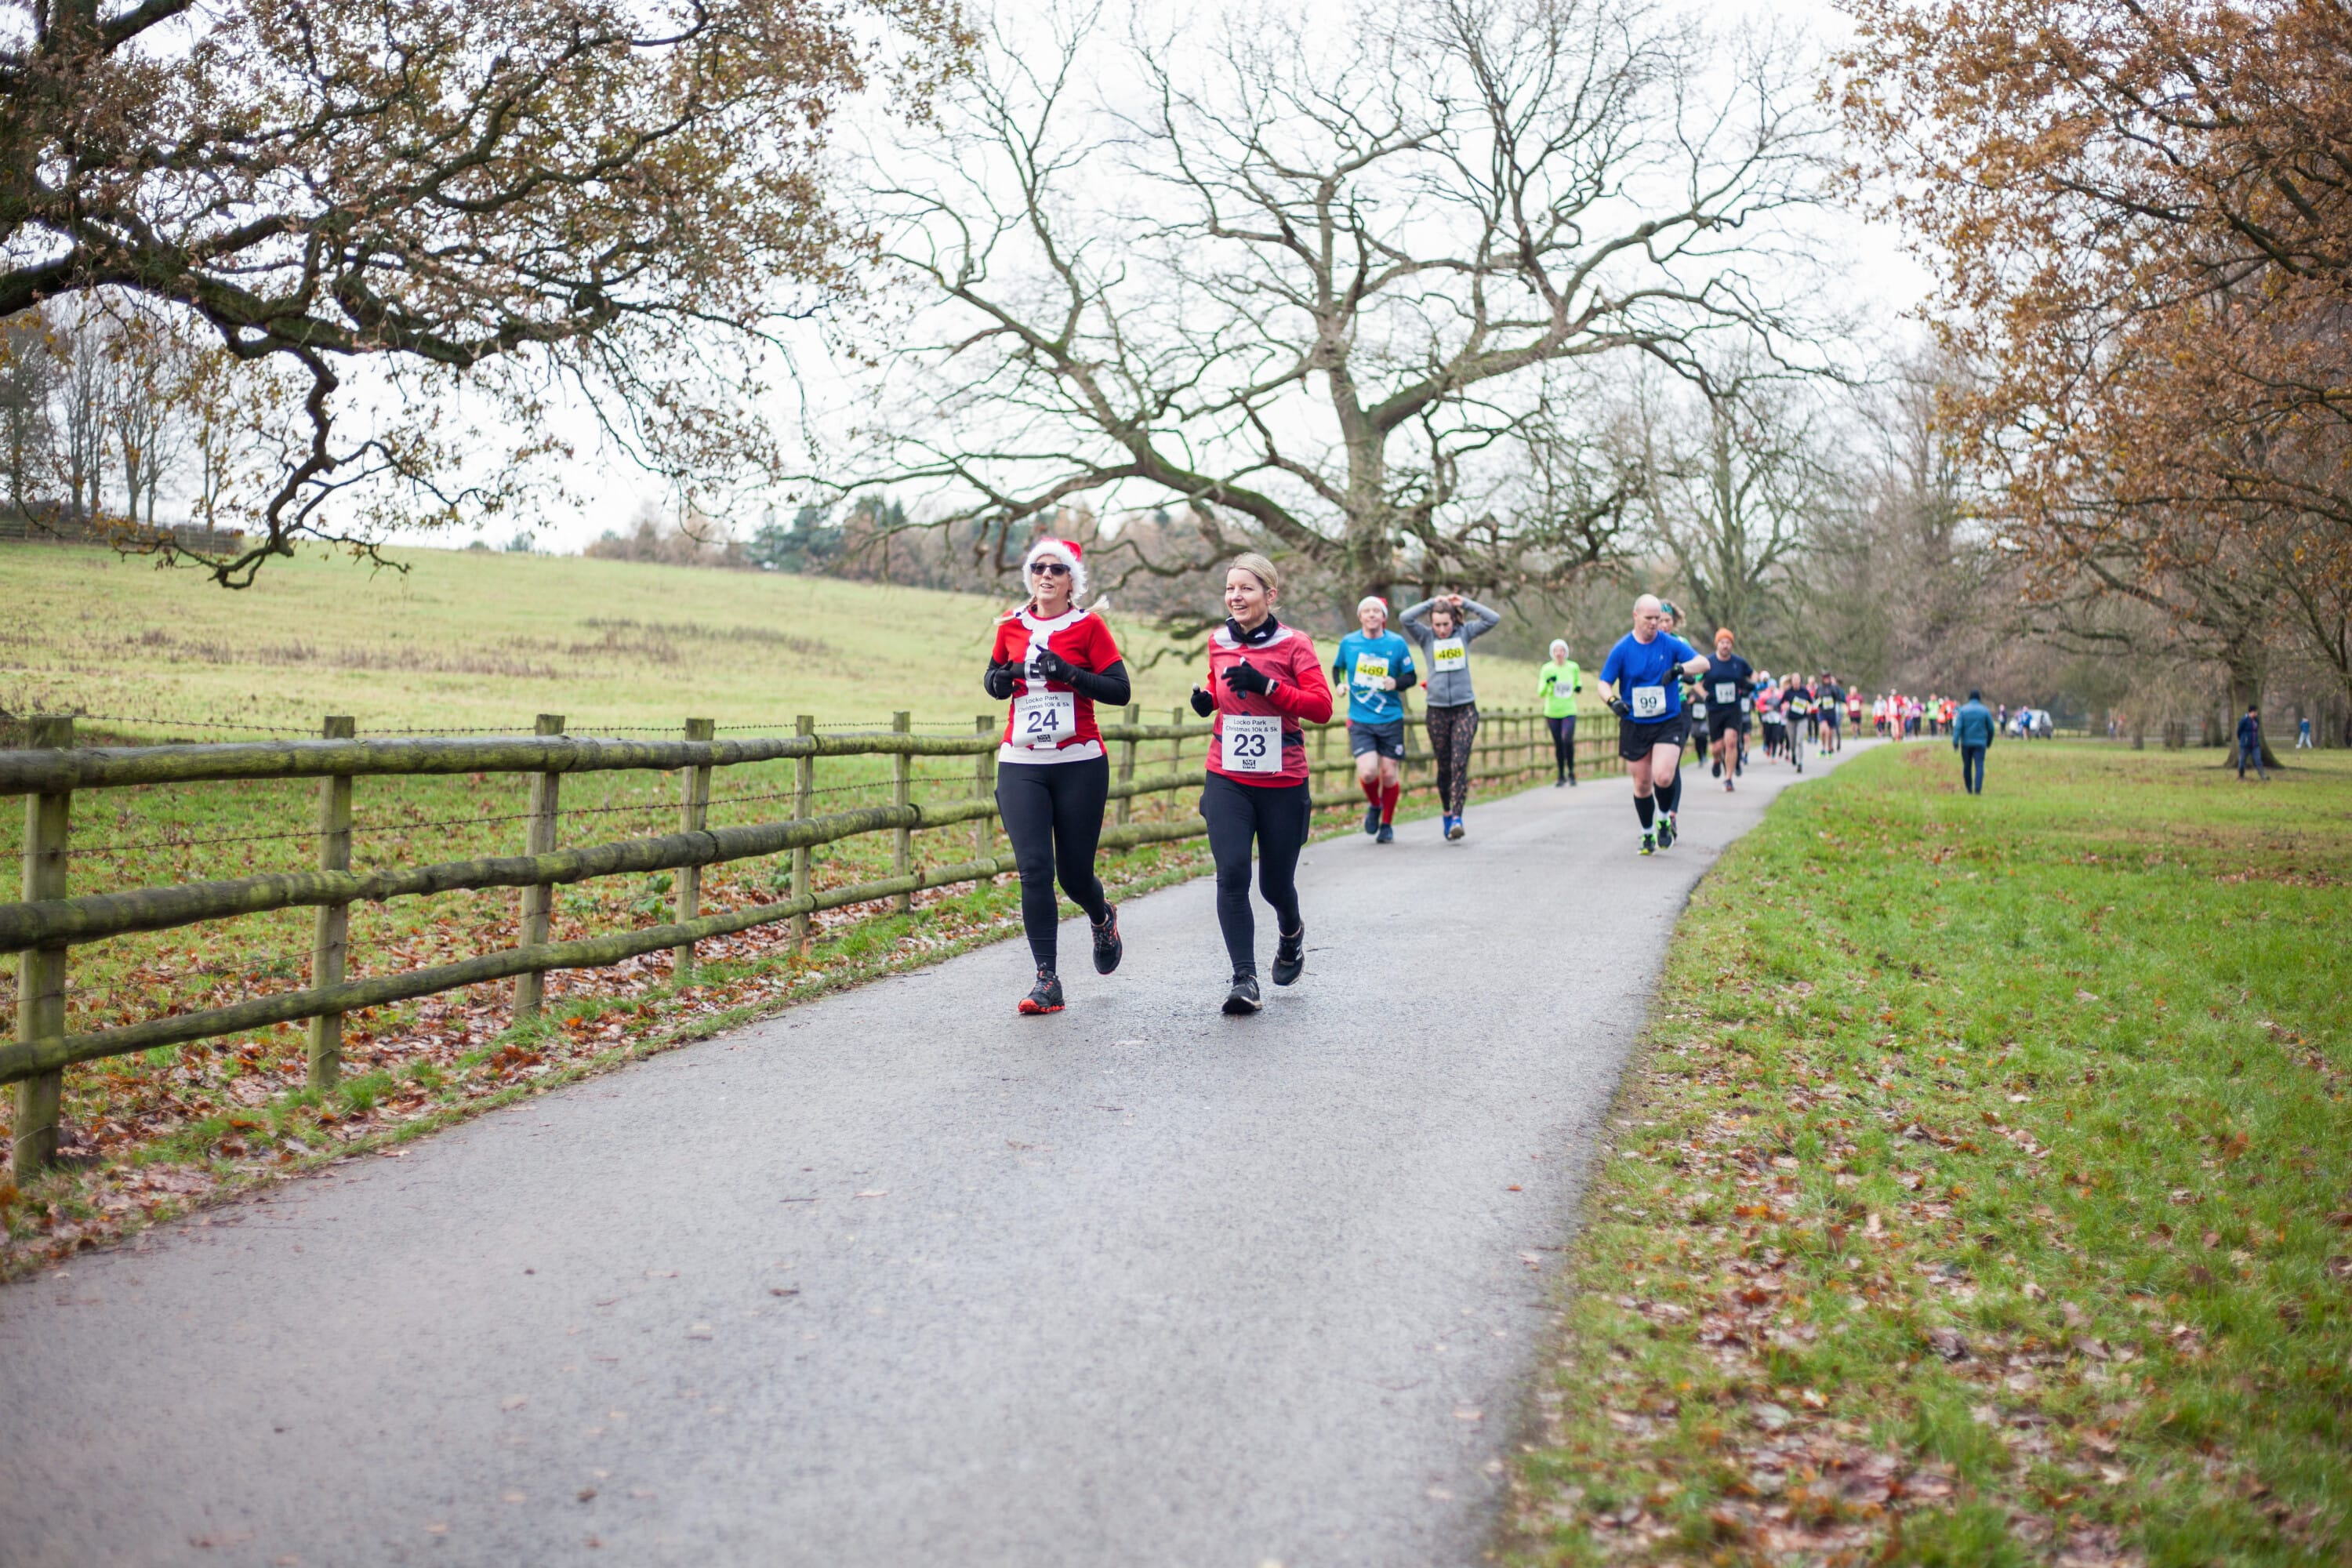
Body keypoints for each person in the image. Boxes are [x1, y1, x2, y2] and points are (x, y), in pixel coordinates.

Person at [983, 537, 1132, 1015]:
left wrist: (1068, 672)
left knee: (1073, 874)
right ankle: (1047, 979)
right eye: (1038, 568)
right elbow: (992, 678)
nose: (1045, 575)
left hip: (1080, 762)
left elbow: (1119, 691)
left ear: (1072, 581)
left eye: (1057, 569)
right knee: (1033, 869)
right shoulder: (1011, 624)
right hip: (1022, 761)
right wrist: (998, 682)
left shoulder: (1090, 626)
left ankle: (1101, 915)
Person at [1192, 553, 1334, 1014]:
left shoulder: (1296, 644)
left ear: (1270, 595)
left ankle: (1291, 932)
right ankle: (1244, 979)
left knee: (1275, 885)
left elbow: (1321, 707)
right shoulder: (1217, 640)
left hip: (1283, 779)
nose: (1236, 596)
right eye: (1230, 588)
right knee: (1232, 872)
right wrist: (1207, 699)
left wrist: (1268, 686)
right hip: (1227, 776)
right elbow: (1223, 689)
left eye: (1246, 588)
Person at [1599, 594, 1709, 855]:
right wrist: (1613, 701)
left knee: (1663, 775)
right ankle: (1647, 832)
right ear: (1635, 616)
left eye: (1658, 618)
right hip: (1635, 723)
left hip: (1667, 720)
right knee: (1642, 784)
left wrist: (1680, 670)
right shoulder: (1623, 648)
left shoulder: (1670, 644)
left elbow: (1704, 662)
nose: (1654, 623)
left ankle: (1664, 818)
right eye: (1649, 618)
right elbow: (1603, 682)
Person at [1400, 591, 1501, 840]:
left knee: (1459, 763)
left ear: (1454, 621)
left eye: (1446, 624)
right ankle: (1446, 812)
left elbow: (1493, 618)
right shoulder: (1425, 637)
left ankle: (1457, 817)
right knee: (1444, 767)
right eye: (1438, 624)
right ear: (1432, 623)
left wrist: (1464, 603)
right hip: (1436, 710)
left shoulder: (1464, 633)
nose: (1443, 629)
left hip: (1465, 708)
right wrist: (1430, 604)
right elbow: (1405, 618)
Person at [1331, 596, 1417, 843]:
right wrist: (1339, 686)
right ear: (1360, 617)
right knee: (1369, 772)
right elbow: (1336, 668)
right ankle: (1374, 804)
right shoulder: (1349, 643)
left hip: (1390, 718)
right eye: (1366, 611)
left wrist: (1396, 683)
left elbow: (1411, 677)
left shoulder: (1397, 643)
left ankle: (1387, 824)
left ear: (1383, 617)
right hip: (1360, 719)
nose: (1371, 615)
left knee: (1389, 775)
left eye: (1376, 611)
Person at [1701, 629, 1754, 792]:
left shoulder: (1739, 662)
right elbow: (1695, 681)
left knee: (1731, 742)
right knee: (1717, 746)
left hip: (1733, 708)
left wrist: (1750, 687)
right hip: (1715, 709)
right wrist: (1704, 694)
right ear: (1717, 644)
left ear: (1732, 645)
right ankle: (1717, 760)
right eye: (1722, 642)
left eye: (1728, 643)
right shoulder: (1708, 662)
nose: (1725, 646)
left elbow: (1754, 675)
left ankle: (1728, 778)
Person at [1538, 639, 1582, 786]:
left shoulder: (1573, 667)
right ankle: (1561, 774)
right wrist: (1549, 683)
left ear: (1566, 652)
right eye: (1556, 651)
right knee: (1558, 743)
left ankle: (1571, 771)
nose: (1559, 654)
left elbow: (1578, 682)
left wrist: (1578, 687)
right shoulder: (1546, 669)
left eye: (1562, 650)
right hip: (1552, 711)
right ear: (1552, 653)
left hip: (1569, 710)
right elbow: (1541, 692)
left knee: (1567, 740)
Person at [1951, 688, 1994, 795]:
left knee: (1967, 766)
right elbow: (1991, 728)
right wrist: (1988, 742)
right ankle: (1978, 788)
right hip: (1980, 743)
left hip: (1966, 743)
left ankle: (1969, 788)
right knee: (1979, 765)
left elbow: (1958, 727)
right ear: (1979, 698)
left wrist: (1955, 741)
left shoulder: (1963, 710)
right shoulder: (1984, 710)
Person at [2235, 706, 2267, 780]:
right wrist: (2243, 739)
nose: (2257, 713)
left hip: (2255, 744)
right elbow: (2239, 731)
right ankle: (2241, 775)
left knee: (2258, 760)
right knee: (2242, 760)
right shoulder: (2244, 720)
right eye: (2255, 712)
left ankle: (2262, 775)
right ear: (2252, 712)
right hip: (2245, 744)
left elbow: (2256, 729)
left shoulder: (2256, 720)